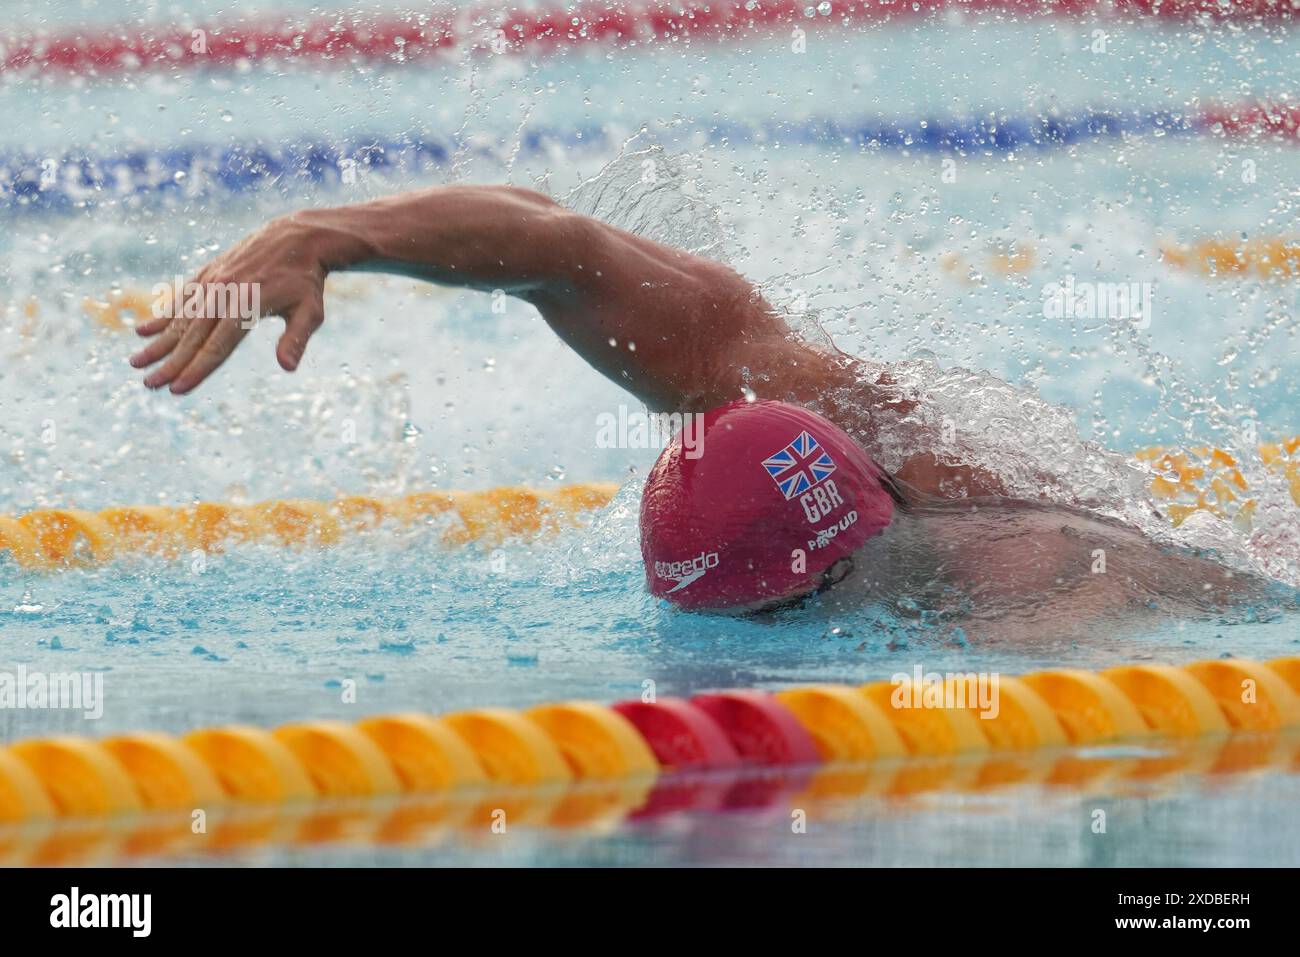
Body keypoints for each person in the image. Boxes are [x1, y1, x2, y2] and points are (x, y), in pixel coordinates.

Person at [130, 185, 1258, 630]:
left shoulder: (1031, 589)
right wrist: (323, 236)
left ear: (846, 568)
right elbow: (560, 249)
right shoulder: (798, 402)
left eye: (770, 617)